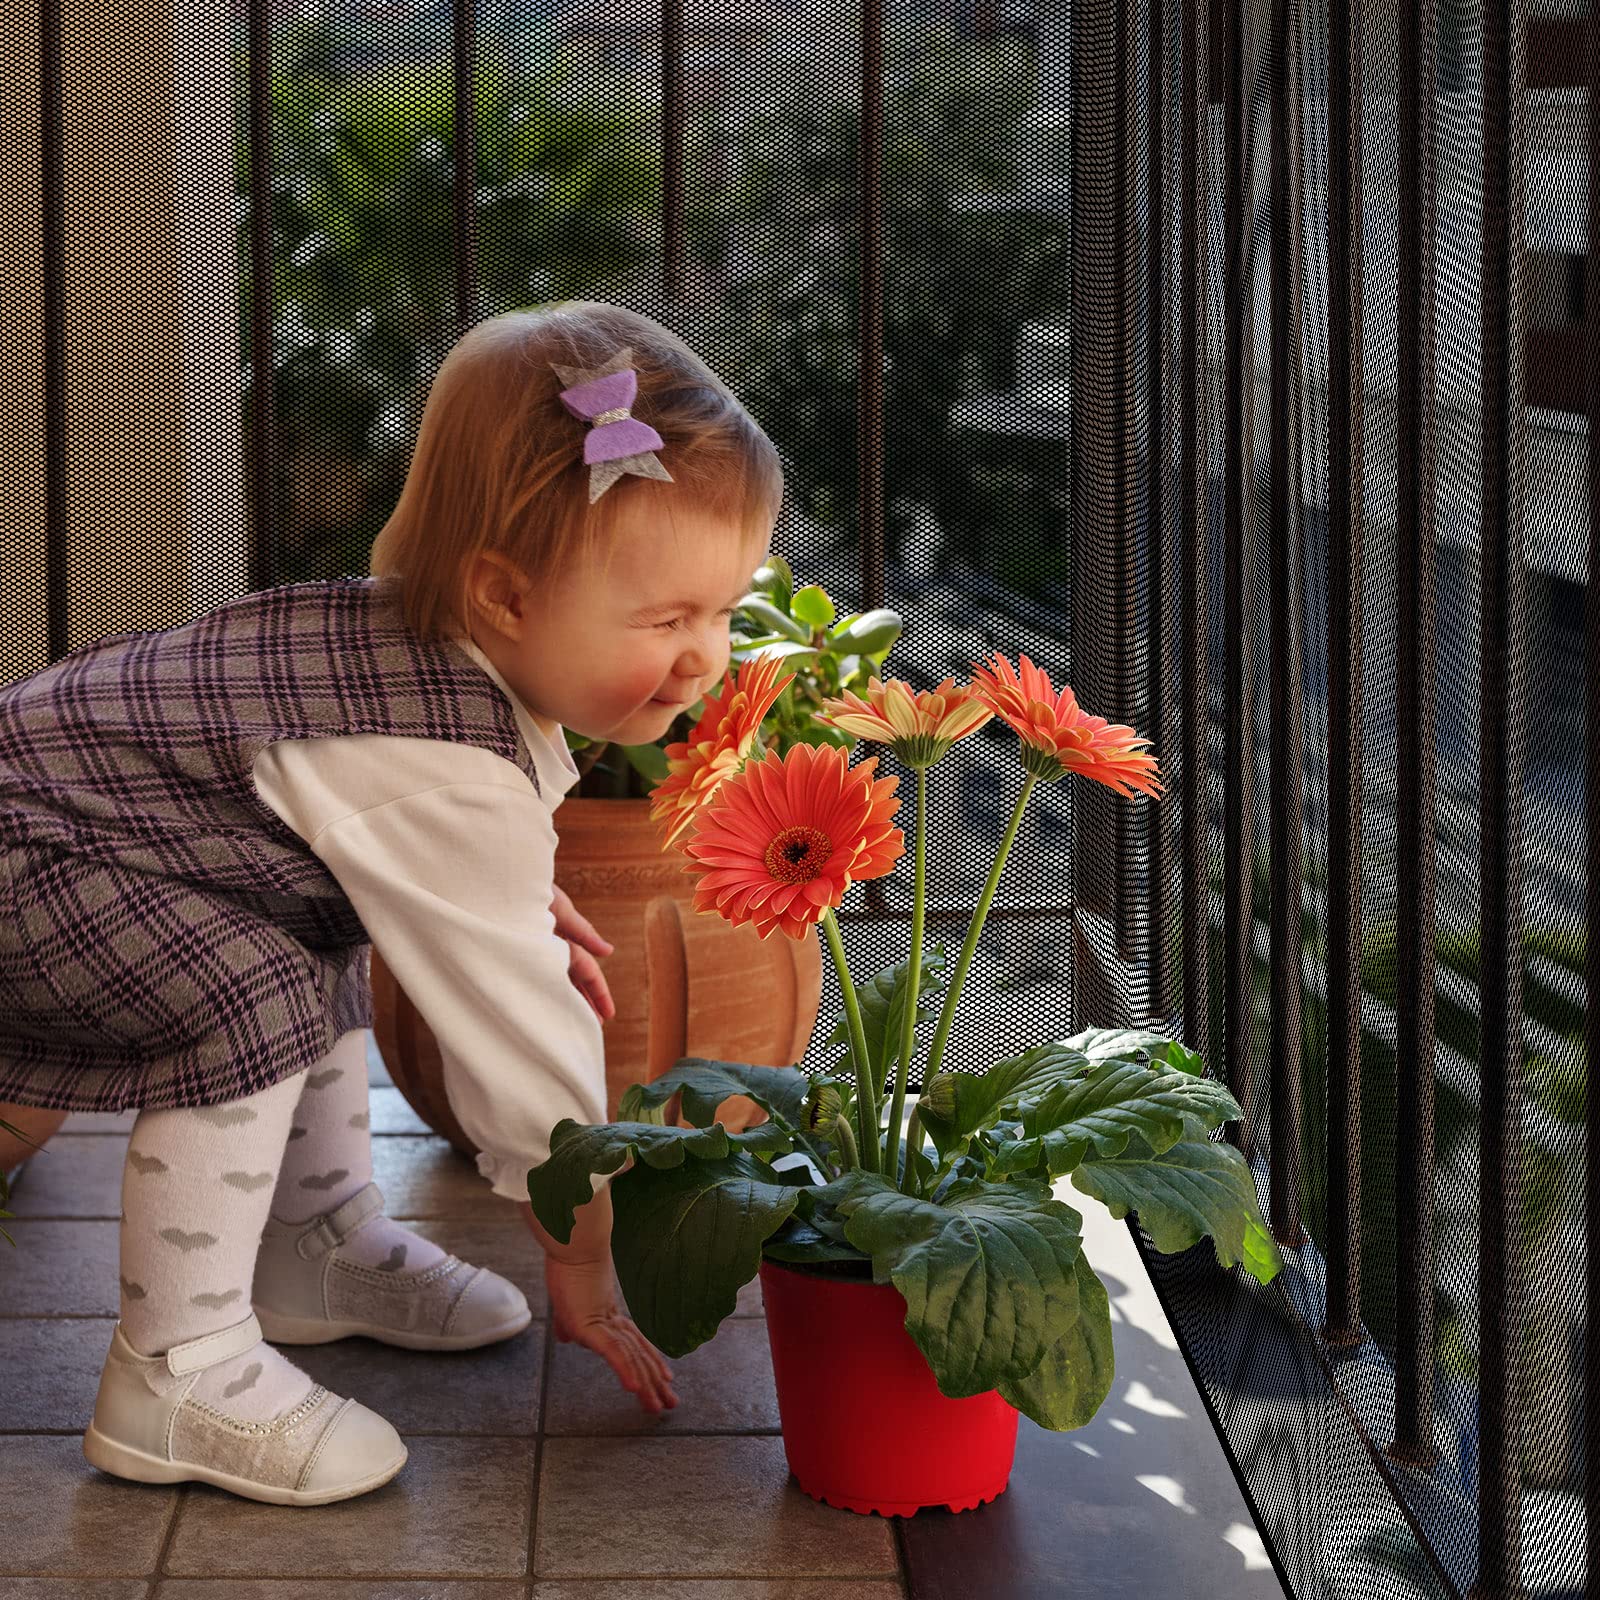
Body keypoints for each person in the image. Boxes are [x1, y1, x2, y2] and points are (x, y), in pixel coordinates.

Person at [0, 298, 783, 1505]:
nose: (704, 659)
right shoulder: (444, 757)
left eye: (725, 611)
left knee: (314, 936)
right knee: (246, 991)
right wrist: (581, 1253)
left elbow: (433, 885)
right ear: (504, 599)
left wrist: (519, 906)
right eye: (667, 618)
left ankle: (311, 1249)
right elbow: (526, 1038)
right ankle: (176, 1371)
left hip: (63, 832)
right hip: (26, 852)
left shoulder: (424, 660)